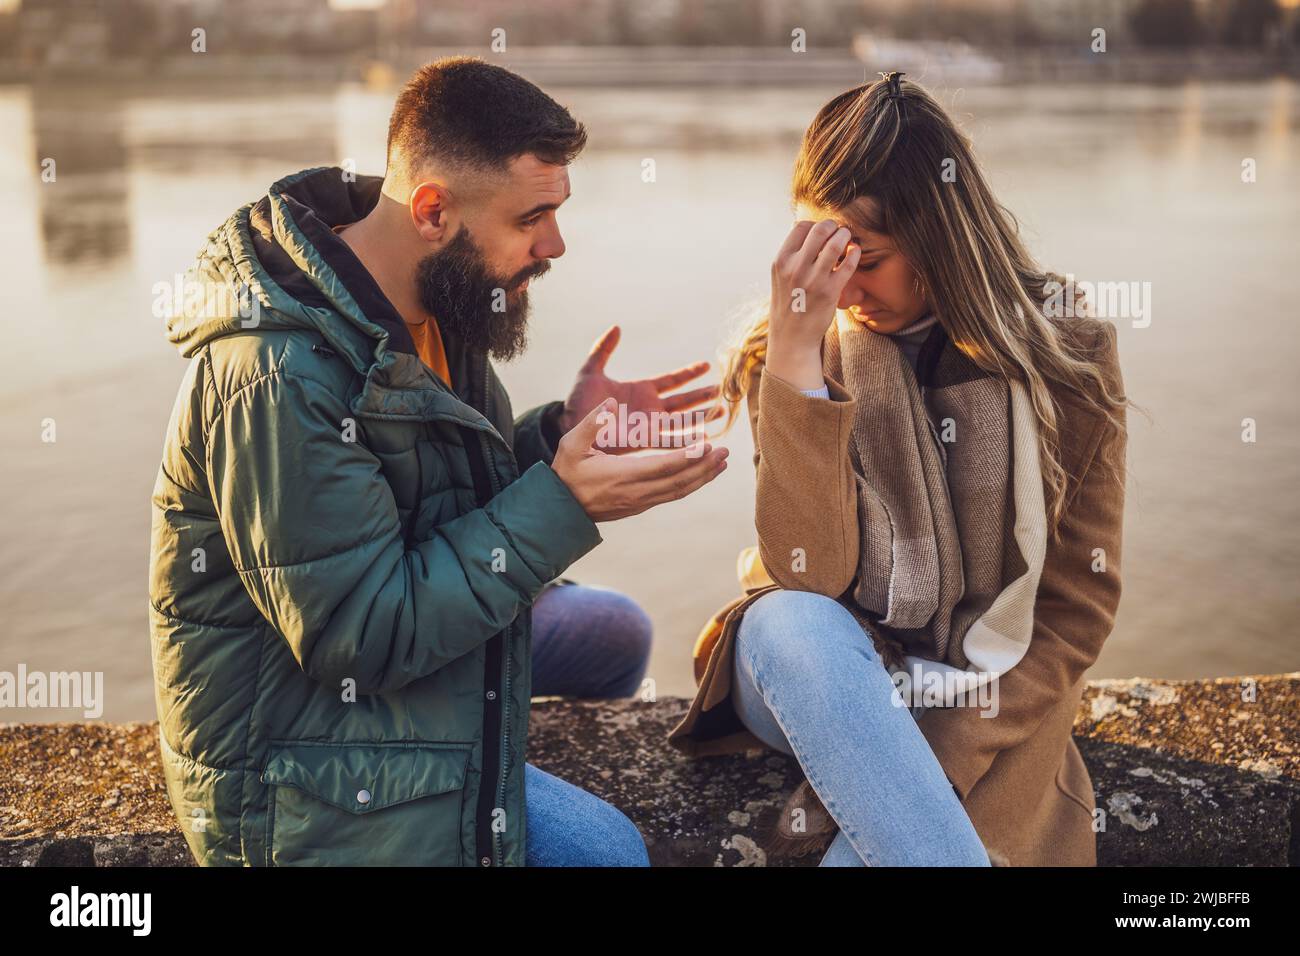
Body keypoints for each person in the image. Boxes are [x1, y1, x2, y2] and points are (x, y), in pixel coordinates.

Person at [148, 56, 728, 867]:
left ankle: (482, 753)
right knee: (608, 853)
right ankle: (466, 775)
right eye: (532, 217)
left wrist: (561, 433)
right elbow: (363, 634)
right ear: (431, 210)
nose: (555, 245)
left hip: (373, 657)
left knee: (611, 632)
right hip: (308, 750)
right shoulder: (276, 376)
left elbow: (437, 503)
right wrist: (565, 503)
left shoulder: (428, 300)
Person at [668, 73, 1132, 867]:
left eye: (867, 260)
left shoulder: (1066, 351)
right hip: (817, 675)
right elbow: (806, 573)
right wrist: (793, 362)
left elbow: (1076, 606)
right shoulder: (792, 346)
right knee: (789, 618)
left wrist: (947, 748)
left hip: (985, 687)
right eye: (827, 257)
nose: (842, 290)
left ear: (940, 236)